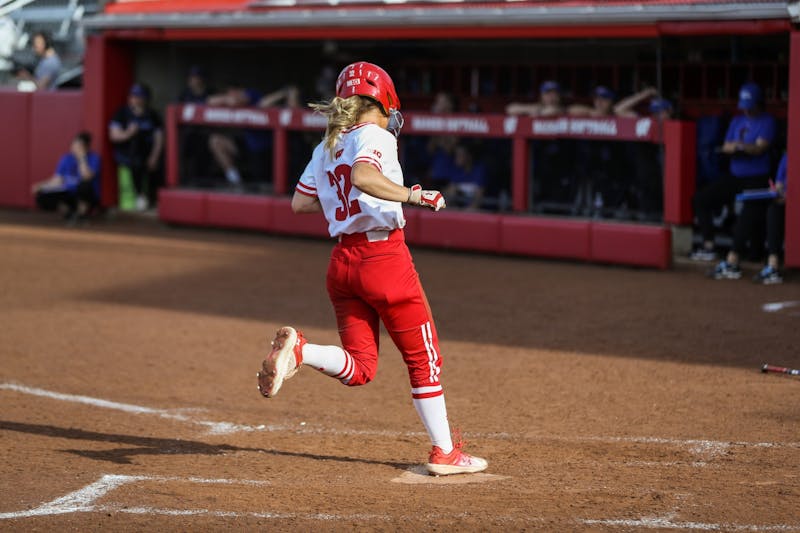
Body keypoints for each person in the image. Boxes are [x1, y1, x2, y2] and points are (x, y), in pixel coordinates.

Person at [256, 62, 488, 476]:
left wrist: (344, 199)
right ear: (380, 101)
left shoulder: (326, 144)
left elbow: (301, 203)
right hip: (384, 259)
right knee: (424, 359)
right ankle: (445, 453)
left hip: (343, 262)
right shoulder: (375, 134)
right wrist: (413, 196)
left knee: (361, 368)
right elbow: (363, 175)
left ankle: (303, 351)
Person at [691, 82, 776, 261]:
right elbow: (726, 146)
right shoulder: (737, 120)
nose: (746, 110)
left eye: (750, 106)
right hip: (735, 175)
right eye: (744, 107)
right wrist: (744, 147)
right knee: (701, 199)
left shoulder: (767, 121)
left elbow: (760, 148)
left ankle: (734, 257)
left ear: (759, 103)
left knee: (748, 215)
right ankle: (709, 246)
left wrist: (740, 147)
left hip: (757, 177)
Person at [709, 153, 787, 284]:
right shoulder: (788, 154)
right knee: (757, 206)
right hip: (782, 199)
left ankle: (772, 264)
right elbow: (780, 179)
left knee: (774, 210)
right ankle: (733, 260)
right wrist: (779, 189)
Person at [207, 83, 300, 187]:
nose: (231, 96)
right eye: (228, 93)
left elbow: (258, 103)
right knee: (216, 141)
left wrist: (284, 93)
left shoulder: (252, 94)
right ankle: (235, 181)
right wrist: (226, 99)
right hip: (248, 146)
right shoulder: (234, 99)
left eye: (232, 92)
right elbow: (210, 101)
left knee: (264, 181)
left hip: (267, 149)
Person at [109, 83, 164, 211]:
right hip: (127, 154)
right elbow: (114, 136)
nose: (137, 100)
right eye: (134, 96)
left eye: (140, 97)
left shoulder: (152, 115)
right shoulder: (122, 113)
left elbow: (159, 138)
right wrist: (129, 133)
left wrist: (154, 157)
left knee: (161, 165)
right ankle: (140, 196)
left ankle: (156, 200)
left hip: (149, 154)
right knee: (136, 162)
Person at [31, 131, 100, 223]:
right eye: (73, 145)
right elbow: (57, 179)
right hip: (68, 195)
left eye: (78, 146)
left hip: (85, 197)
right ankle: (68, 213)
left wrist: (82, 158)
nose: (74, 148)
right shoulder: (66, 158)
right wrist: (41, 185)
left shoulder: (94, 158)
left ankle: (81, 214)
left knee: (85, 185)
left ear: (86, 147)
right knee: (42, 195)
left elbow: (86, 177)